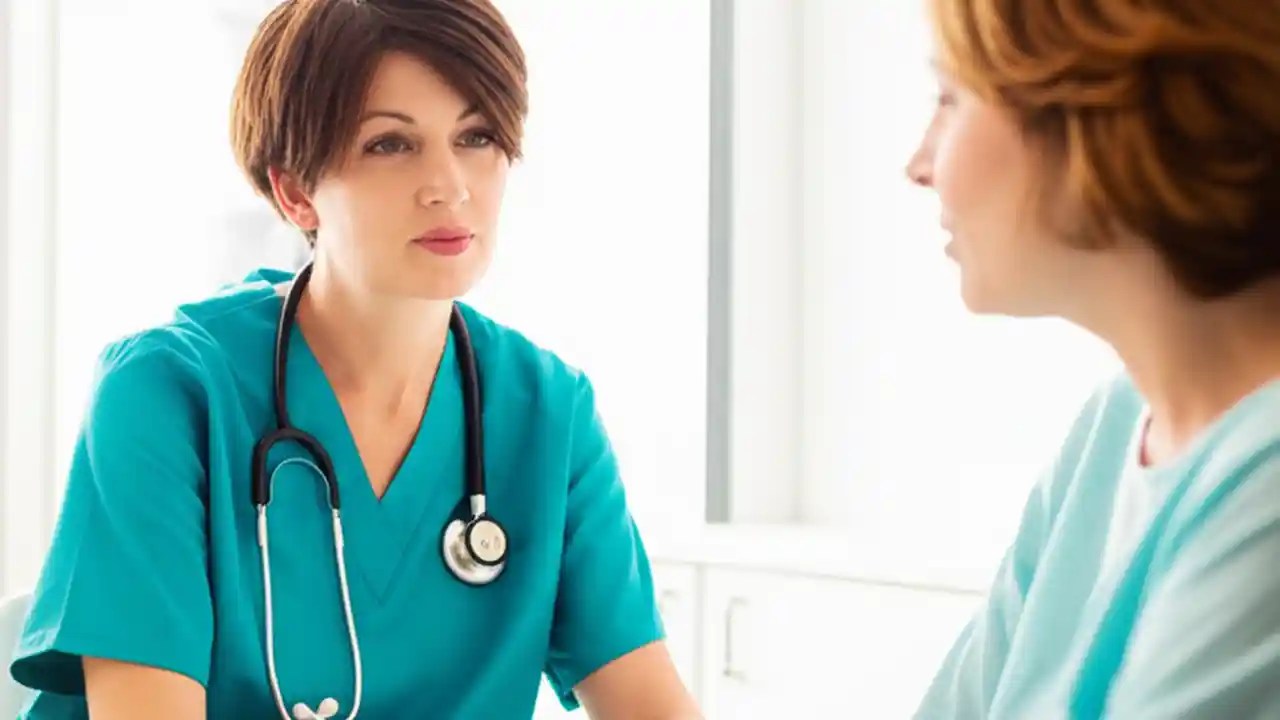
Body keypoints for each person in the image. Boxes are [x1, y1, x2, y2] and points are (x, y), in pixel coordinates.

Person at [7, 1, 701, 718]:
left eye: (477, 136)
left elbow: (651, 703)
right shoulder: (168, 394)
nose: (450, 186)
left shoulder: (547, 413)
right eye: (390, 145)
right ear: (294, 189)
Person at [906, 1, 1280, 717]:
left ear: (1094, 108)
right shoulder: (1110, 431)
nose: (920, 165)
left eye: (950, 100)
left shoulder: (1268, 481)